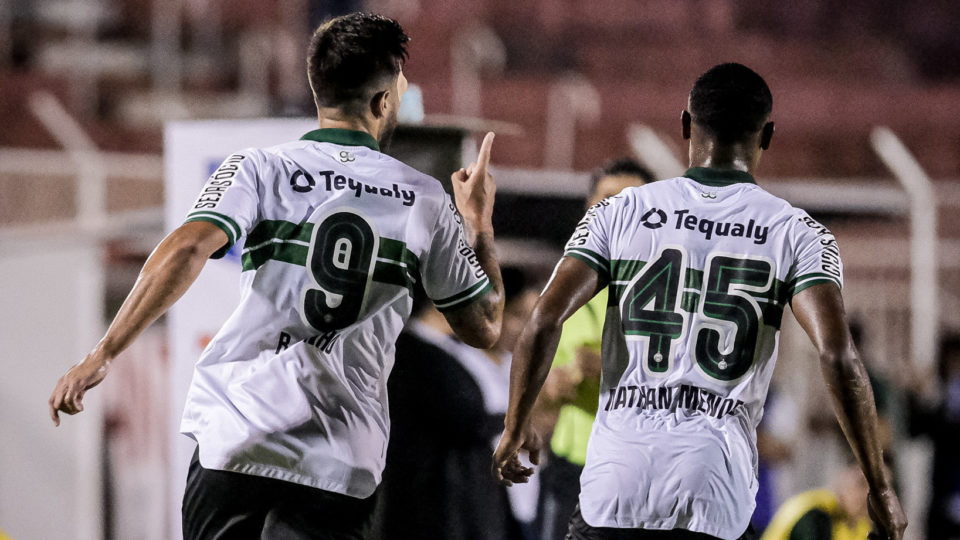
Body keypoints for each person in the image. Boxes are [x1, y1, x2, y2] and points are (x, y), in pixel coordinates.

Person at [48, 12, 504, 539]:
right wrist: (478, 226)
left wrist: (103, 352)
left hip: (243, 430)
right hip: (338, 456)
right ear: (382, 103)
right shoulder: (426, 200)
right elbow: (485, 326)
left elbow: (187, 248)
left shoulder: (257, 167)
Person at [492, 62, 907, 540]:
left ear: (686, 124)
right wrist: (879, 486)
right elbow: (837, 355)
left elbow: (544, 319)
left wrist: (515, 424)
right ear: (767, 135)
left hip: (616, 485)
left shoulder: (619, 211)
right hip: (714, 488)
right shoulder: (797, 233)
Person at [536, 159, 655, 540]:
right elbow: (532, 391)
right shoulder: (565, 286)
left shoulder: (671, 292)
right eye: (606, 199)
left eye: (630, 200)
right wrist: (549, 391)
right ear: (589, 207)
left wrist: (612, 370)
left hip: (640, 476)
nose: (618, 210)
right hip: (571, 469)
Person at [760, 462, 873, 540]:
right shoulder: (814, 512)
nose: (866, 494)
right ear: (843, 478)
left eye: (873, 488)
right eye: (861, 484)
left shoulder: (860, 524)